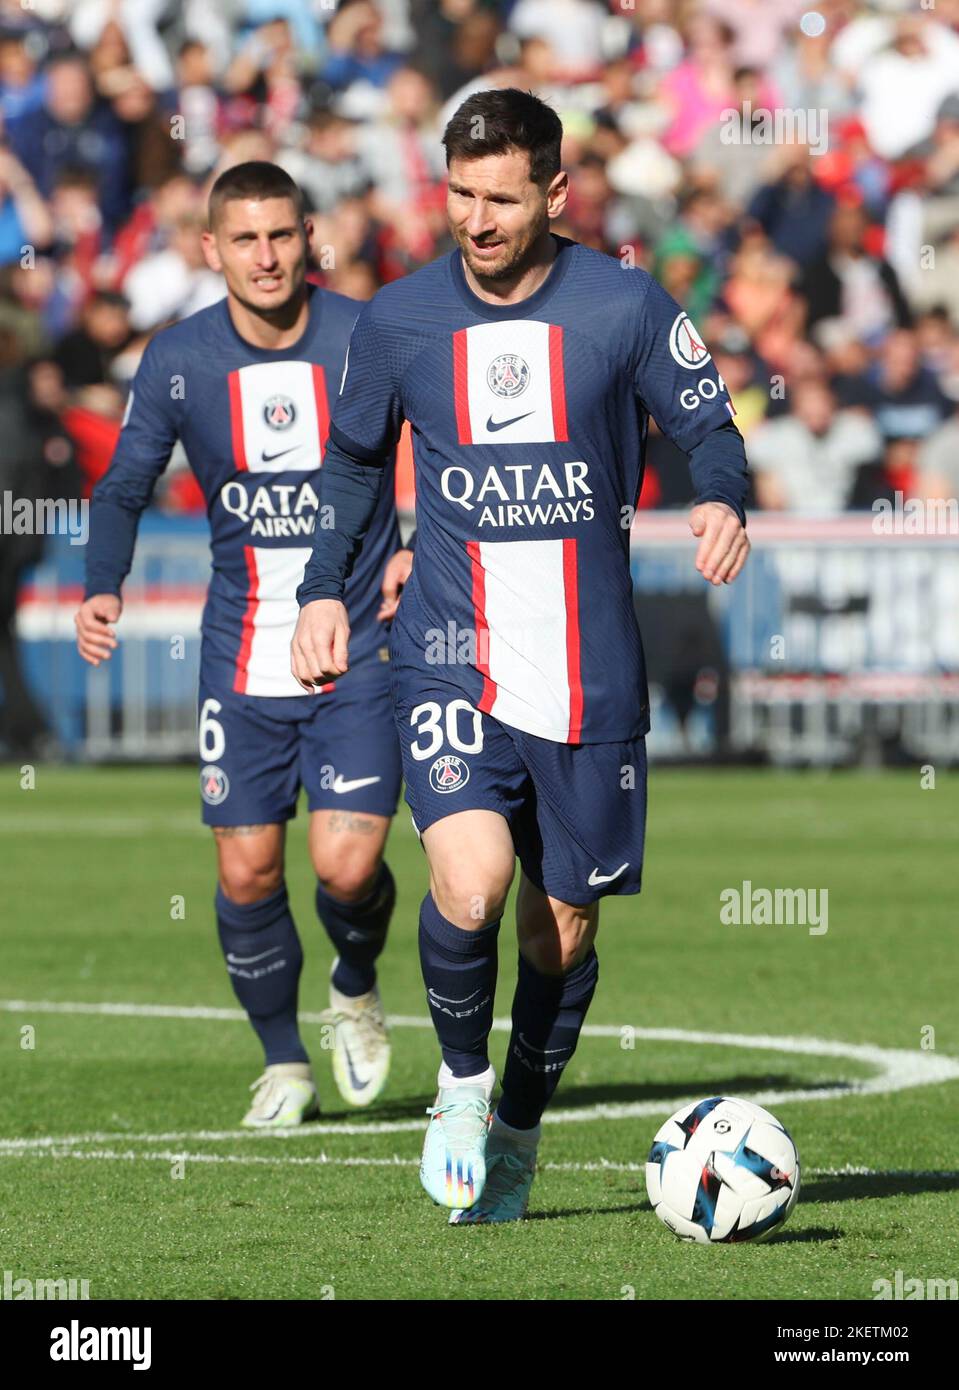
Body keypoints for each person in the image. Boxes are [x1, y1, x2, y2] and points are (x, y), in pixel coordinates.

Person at [292, 90, 750, 1222]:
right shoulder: (398, 321)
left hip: (588, 670)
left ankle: (518, 1128)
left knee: (562, 932)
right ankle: (458, 1083)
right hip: (447, 649)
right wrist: (320, 591)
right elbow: (353, 468)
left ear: (554, 193)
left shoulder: (624, 304)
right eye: (459, 194)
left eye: (500, 197)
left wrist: (720, 499)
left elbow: (707, 423)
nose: (476, 218)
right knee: (471, 880)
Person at [75, 161, 410, 1126]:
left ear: (310, 238)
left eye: (282, 236)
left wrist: (417, 550)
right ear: (210, 249)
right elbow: (125, 482)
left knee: (346, 868)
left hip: (355, 649)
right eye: (246, 240)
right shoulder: (179, 359)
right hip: (241, 655)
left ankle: (353, 984)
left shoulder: (366, 335)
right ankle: (284, 1062)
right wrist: (104, 585)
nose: (266, 258)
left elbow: (444, 441)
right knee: (247, 870)